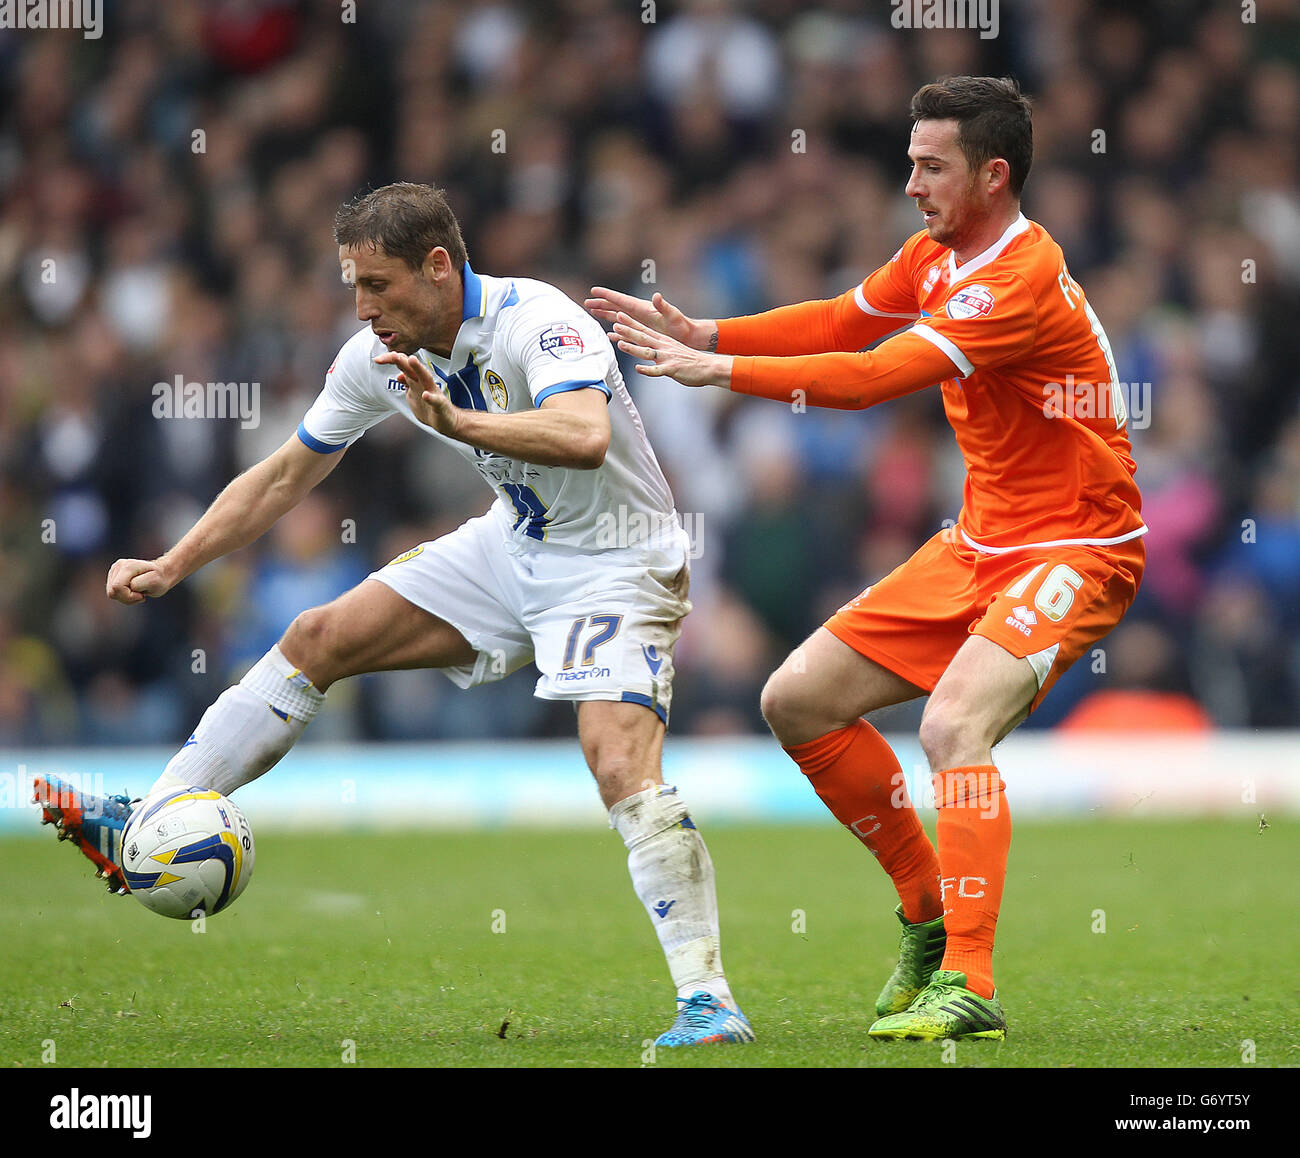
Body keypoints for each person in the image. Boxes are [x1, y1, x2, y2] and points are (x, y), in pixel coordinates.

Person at [34, 182, 754, 1049]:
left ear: (439, 266)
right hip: (514, 543)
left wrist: (460, 419)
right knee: (316, 638)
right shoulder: (374, 355)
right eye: (353, 288)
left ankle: (709, 1001)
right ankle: (151, 818)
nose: (363, 308)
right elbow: (283, 475)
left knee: (616, 763)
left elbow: (583, 435)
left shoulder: (539, 319)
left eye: (377, 286)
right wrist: (175, 562)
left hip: (615, 561)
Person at [588, 75, 1145, 1041]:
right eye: (911, 162)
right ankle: (929, 915)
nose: (911, 184)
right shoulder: (939, 253)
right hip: (980, 541)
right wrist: (708, 330)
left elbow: (871, 377)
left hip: (1079, 544)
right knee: (794, 700)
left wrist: (720, 372)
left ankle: (971, 981)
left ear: (995, 174)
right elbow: (847, 321)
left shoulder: (1017, 279)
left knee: (951, 727)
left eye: (932, 166)